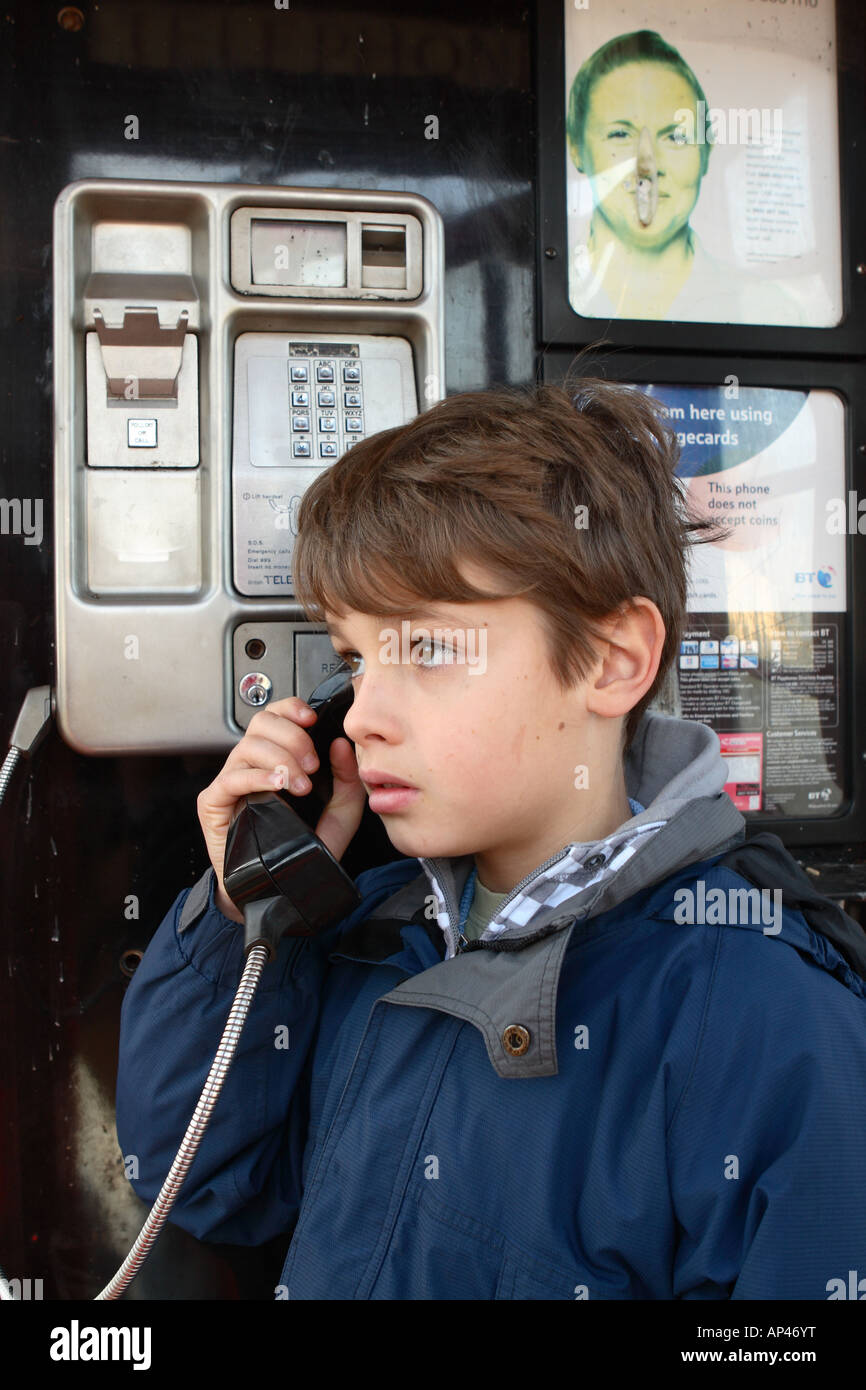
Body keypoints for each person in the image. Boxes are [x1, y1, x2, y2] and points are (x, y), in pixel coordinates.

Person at [115, 376, 866, 1299]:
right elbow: (202, 1186)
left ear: (610, 658)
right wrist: (245, 917)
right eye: (357, 659)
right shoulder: (379, 936)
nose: (365, 718)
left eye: (428, 648)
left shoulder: (764, 1017)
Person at [566, 30, 804, 324]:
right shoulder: (557, 288)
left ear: (706, 150)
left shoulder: (769, 310)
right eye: (619, 134)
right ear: (575, 148)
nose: (647, 166)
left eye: (675, 137)